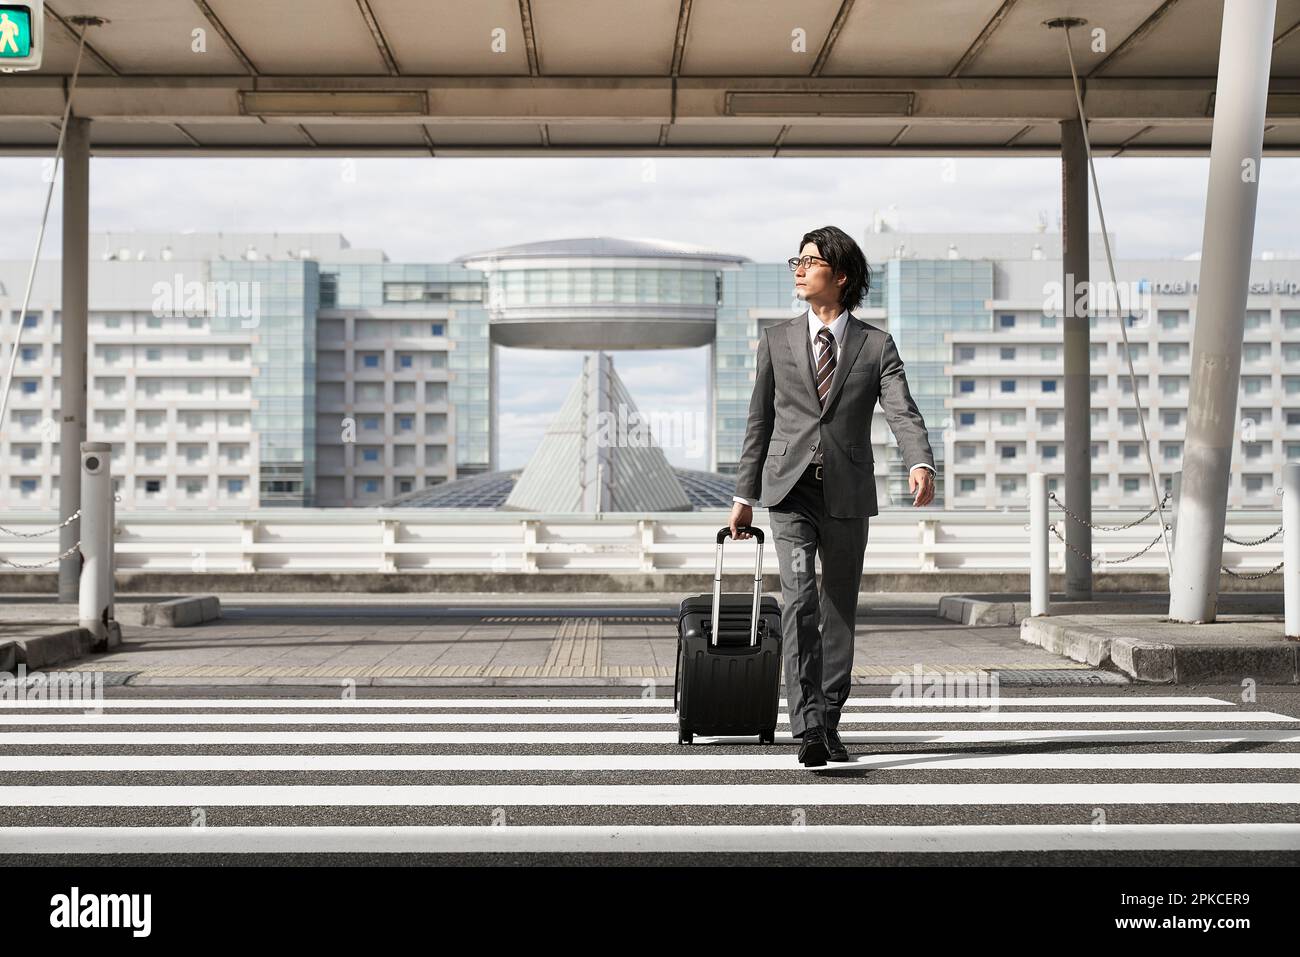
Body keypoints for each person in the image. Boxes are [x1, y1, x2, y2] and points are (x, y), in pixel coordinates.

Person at [730, 225, 935, 767]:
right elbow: (759, 421)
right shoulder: (775, 339)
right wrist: (744, 494)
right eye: (795, 260)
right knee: (799, 602)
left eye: (810, 261)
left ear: (840, 276)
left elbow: (902, 410)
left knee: (839, 609)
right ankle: (809, 728)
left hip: (846, 495)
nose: (799, 269)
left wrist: (919, 460)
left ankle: (830, 715)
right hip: (790, 493)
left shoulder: (875, 345)